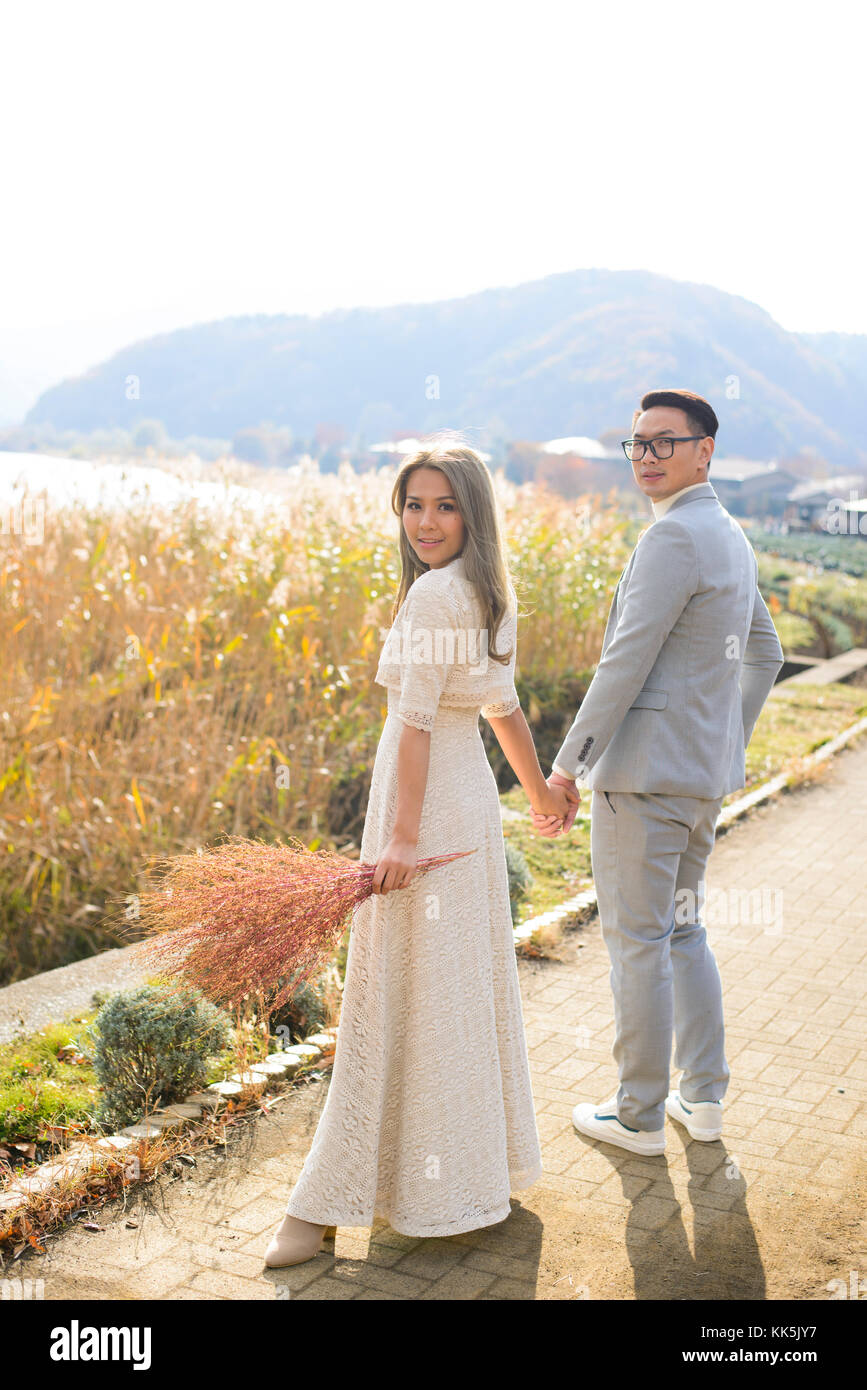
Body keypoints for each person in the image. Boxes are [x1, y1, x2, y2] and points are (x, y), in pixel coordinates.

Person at [264, 438, 578, 1266]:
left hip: (429, 809)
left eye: (444, 505)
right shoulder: (488, 592)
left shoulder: (439, 597)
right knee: (456, 986)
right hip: (466, 805)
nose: (426, 521)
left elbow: (414, 724)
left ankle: (331, 1203)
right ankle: (458, 1176)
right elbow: (502, 709)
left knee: (397, 991)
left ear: (472, 511)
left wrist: (400, 838)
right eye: (414, 504)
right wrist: (540, 794)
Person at [531, 388, 784, 1156]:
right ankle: (701, 1100)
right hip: (698, 780)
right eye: (636, 443)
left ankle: (637, 1113)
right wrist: (721, 745)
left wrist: (566, 764)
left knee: (639, 943)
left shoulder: (673, 539)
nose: (645, 456)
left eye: (662, 443)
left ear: (703, 451)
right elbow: (764, 654)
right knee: (681, 933)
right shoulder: (729, 536)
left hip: (641, 784)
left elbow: (624, 663)